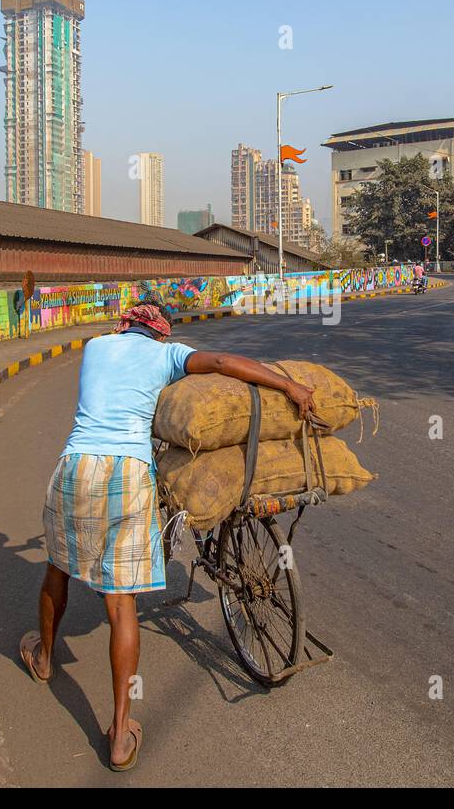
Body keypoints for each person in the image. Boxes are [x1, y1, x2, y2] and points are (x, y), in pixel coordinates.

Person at [21, 297, 317, 772]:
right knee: (121, 605)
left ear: (124, 326)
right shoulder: (167, 356)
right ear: (162, 333)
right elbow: (221, 363)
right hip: (128, 473)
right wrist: (288, 384)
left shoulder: (96, 346)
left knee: (57, 568)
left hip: (78, 466)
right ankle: (121, 735)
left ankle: (43, 659)